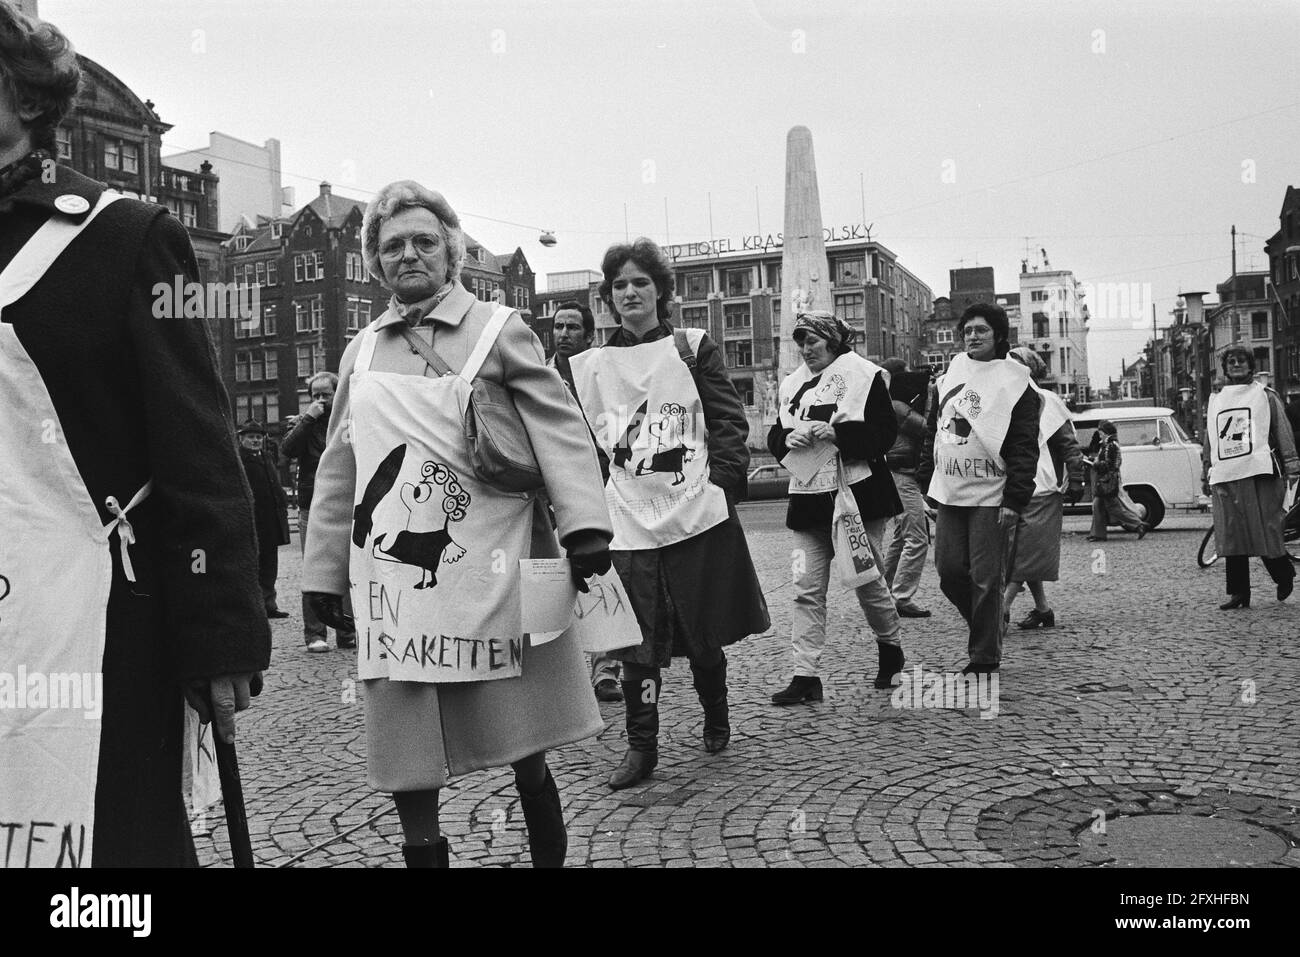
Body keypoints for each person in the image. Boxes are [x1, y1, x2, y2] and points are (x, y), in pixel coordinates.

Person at [0, 0, 269, 867]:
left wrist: (220, 633)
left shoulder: (130, 237)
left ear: (28, 98)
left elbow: (200, 444)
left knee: (111, 849)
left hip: (99, 621)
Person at [301, 181, 613, 868]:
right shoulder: (361, 353)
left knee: (519, 735)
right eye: (392, 247)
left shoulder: (500, 331)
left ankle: (544, 845)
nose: (408, 254)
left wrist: (586, 526)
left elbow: (558, 427)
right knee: (408, 757)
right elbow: (340, 467)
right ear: (375, 264)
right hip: (396, 590)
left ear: (452, 254)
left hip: (491, 570)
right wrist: (320, 574)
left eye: (423, 241)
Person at [568, 237, 770, 790]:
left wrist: (723, 488)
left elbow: (729, 421)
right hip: (627, 520)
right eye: (619, 286)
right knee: (638, 645)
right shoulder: (587, 366)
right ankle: (642, 745)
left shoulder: (691, 347)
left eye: (640, 283)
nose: (630, 292)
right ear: (608, 299)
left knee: (702, 634)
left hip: (696, 514)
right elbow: (576, 445)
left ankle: (716, 708)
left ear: (661, 291)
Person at [768, 313, 905, 704]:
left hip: (859, 494)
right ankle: (805, 674)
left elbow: (885, 432)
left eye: (812, 340)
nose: (806, 349)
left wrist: (841, 434)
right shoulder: (792, 383)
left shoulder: (865, 376)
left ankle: (890, 647)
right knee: (805, 588)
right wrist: (784, 439)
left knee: (866, 580)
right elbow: (776, 431)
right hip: (808, 497)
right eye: (801, 341)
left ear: (832, 340)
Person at [917, 303, 1040, 675]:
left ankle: (984, 656)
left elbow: (1023, 444)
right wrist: (927, 479)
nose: (972, 336)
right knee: (950, 571)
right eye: (968, 329)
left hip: (992, 493)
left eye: (981, 330)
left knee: (986, 579)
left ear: (998, 335)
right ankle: (988, 626)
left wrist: (1016, 498)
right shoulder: (951, 372)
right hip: (951, 490)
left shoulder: (1017, 381)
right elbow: (933, 428)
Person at [548, 300, 622, 703]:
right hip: (549, 492)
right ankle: (556, 672)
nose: (563, 334)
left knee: (599, 577)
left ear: (589, 334)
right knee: (549, 580)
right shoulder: (537, 374)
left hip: (599, 487)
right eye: (559, 326)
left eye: (573, 327)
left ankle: (605, 668)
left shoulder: (602, 375)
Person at [1203, 346, 1298, 610]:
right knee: (1233, 533)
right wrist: (1206, 468)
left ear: (1250, 365)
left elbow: (1282, 430)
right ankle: (1238, 593)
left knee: (1265, 528)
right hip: (1227, 474)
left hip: (1260, 473)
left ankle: (1284, 574)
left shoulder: (1266, 396)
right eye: (1230, 361)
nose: (1235, 364)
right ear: (1224, 368)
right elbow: (1211, 436)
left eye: (1241, 360)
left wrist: (1291, 466)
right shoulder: (1216, 399)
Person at [1002, 347, 1085, 629]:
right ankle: (1043, 610)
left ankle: (1001, 607)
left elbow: (1069, 445)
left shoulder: (1047, 400)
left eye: (1015, 364)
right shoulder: (1003, 401)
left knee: (1025, 553)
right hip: (1009, 488)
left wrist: (1076, 480)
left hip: (1041, 488)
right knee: (1023, 552)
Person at [282, 371, 357, 652]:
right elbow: (287, 449)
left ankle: (346, 632)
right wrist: (309, 417)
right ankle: (315, 634)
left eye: (326, 394)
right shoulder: (306, 423)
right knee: (315, 569)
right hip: (310, 504)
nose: (321, 400)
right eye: (316, 395)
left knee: (348, 568)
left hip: (345, 503)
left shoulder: (347, 421)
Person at [879, 356, 934, 618]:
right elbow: (927, 428)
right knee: (918, 537)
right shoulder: (898, 406)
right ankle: (901, 596)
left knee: (902, 537)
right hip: (903, 474)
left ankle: (884, 588)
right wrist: (931, 398)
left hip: (895, 474)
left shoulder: (890, 402)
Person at [237, 419, 292, 619]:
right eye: (251, 437)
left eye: (258, 437)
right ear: (241, 438)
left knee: (270, 566)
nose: (255, 441)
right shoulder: (238, 460)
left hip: (270, 520)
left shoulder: (267, 457)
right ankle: (254, 607)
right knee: (253, 565)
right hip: (252, 520)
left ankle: (269, 604)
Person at [1085, 421, 1147, 541]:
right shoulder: (1109, 444)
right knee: (1098, 505)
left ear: (1106, 433)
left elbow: (1109, 464)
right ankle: (1097, 534)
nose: (1100, 435)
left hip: (1107, 481)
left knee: (1114, 507)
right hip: (1107, 480)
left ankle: (1139, 525)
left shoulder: (1110, 445)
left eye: (1101, 432)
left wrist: (1095, 463)